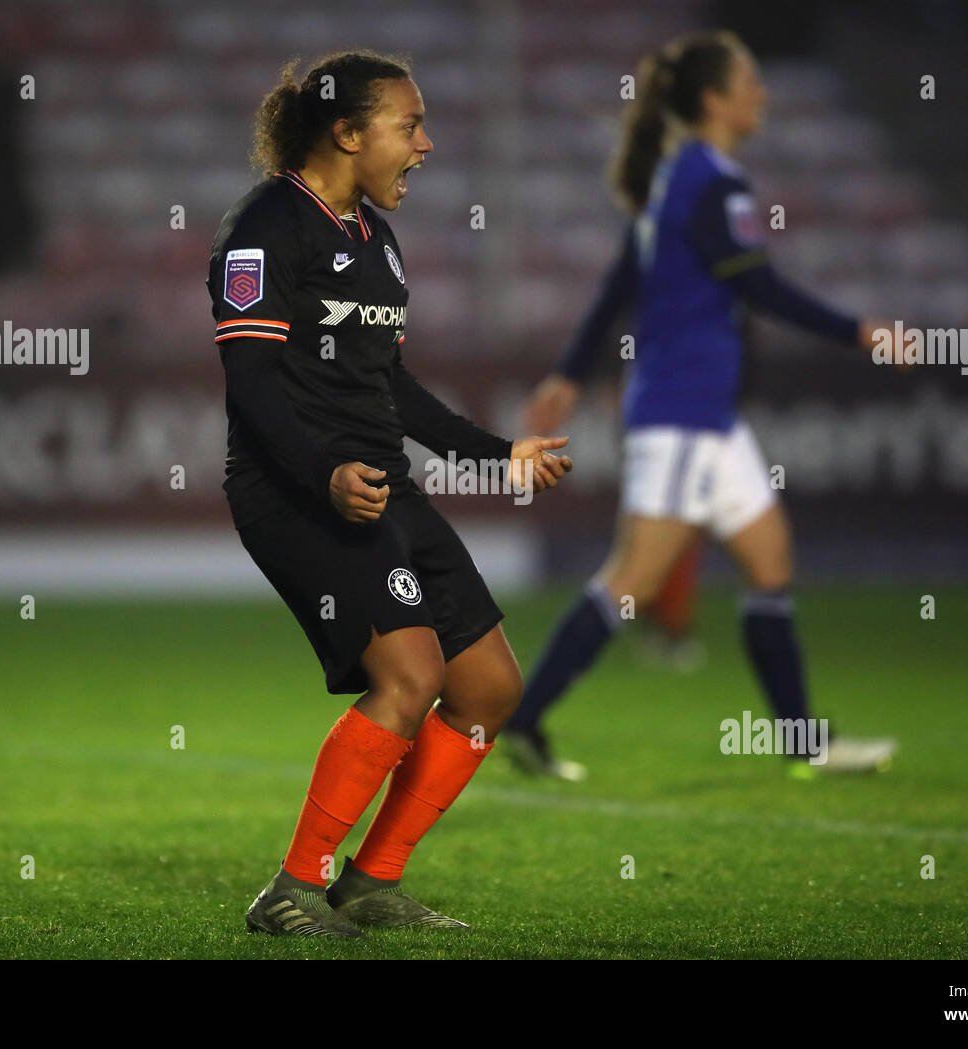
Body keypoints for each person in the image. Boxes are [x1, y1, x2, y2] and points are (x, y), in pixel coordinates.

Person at [207, 51, 572, 937]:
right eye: (409, 126)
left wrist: (497, 453)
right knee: (409, 676)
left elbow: (392, 390)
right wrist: (322, 474)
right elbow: (252, 382)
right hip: (296, 489)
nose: (426, 143)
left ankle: (371, 882)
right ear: (347, 131)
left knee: (487, 687)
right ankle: (292, 889)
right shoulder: (265, 230)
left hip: (382, 486)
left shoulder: (378, 241)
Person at [505, 31, 896, 780]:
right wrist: (860, 331)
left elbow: (622, 279)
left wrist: (569, 373)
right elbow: (759, 287)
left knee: (770, 561)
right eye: (751, 81)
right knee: (632, 583)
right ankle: (522, 716)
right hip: (681, 412)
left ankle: (804, 743)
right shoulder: (712, 183)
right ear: (716, 100)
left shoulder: (678, 178)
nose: (764, 94)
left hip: (706, 417)